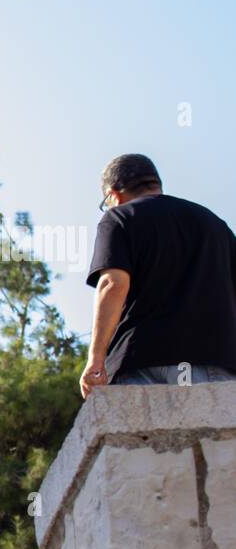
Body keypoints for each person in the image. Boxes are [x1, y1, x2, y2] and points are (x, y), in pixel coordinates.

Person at [82, 153, 236, 398]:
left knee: (140, 436)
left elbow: (113, 283)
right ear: (156, 184)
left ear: (113, 195)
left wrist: (96, 360)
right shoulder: (215, 225)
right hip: (217, 367)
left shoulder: (119, 217)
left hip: (142, 365)